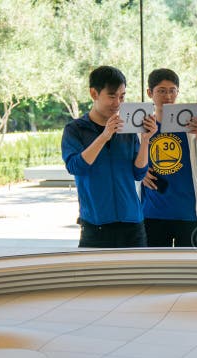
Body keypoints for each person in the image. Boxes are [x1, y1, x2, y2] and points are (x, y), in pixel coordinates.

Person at [62, 65, 156, 248]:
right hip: (95, 225)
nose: (118, 103)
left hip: (133, 224)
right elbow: (75, 167)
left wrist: (145, 141)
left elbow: (138, 173)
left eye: (122, 96)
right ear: (93, 94)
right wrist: (104, 136)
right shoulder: (75, 130)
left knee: (139, 275)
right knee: (96, 277)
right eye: (112, 96)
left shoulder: (128, 129)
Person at [139, 68, 197, 247]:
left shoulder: (194, 128)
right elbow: (127, 167)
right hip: (151, 216)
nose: (167, 96)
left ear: (178, 92)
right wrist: (139, 172)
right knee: (154, 272)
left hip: (189, 216)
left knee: (192, 273)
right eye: (161, 91)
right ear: (150, 93)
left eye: (172, 90)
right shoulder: (140, 129)